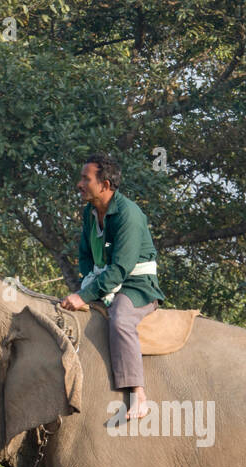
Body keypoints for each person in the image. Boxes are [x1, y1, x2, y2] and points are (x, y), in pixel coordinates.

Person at [60, 153, 165, 419]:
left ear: (105, 185)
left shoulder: (129, 214)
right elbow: (85, 256)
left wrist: (85, 295)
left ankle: (138, 395)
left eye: (86, 179)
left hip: (136, 286)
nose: (79, 184)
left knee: (119, 319)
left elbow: (120, 269)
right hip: (103, 282)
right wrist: (88, 283)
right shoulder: (89, 212)